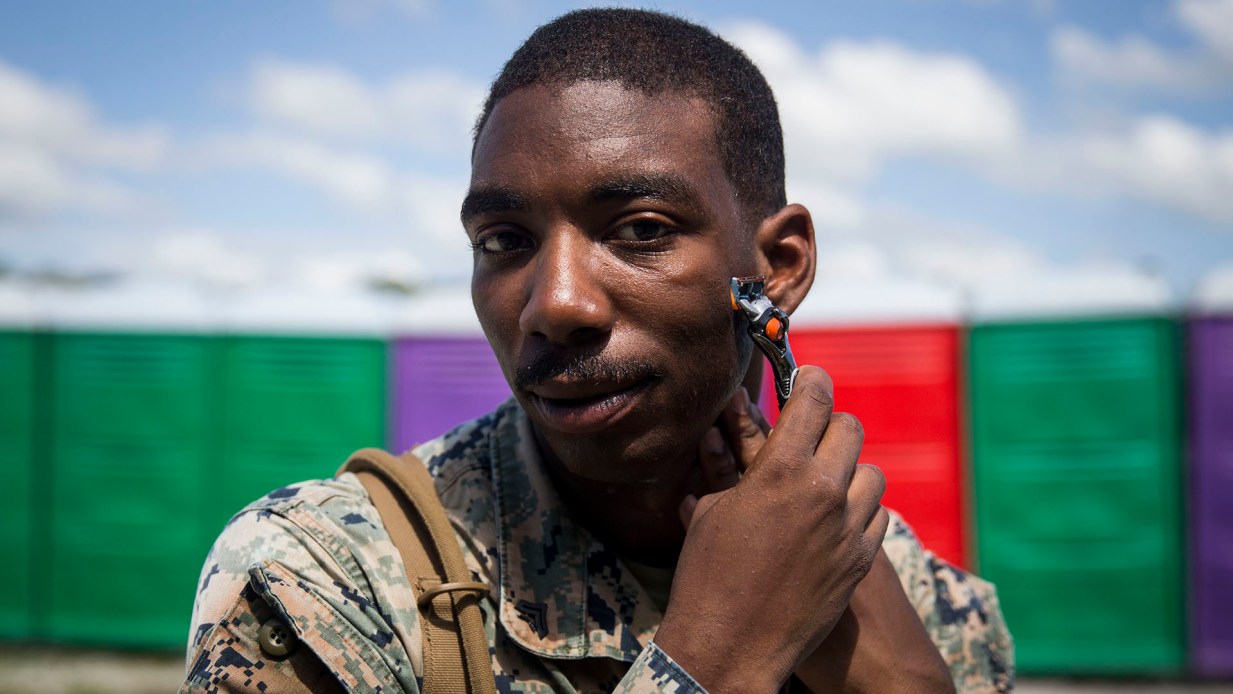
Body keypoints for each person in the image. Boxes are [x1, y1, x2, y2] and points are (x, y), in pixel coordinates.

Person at [181, 8, 1013, 693]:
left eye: (640, 231)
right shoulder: (329, 576)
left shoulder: (932, 603)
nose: (555, 303)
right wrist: (714, 658)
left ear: (779, 266)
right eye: (504, 240)